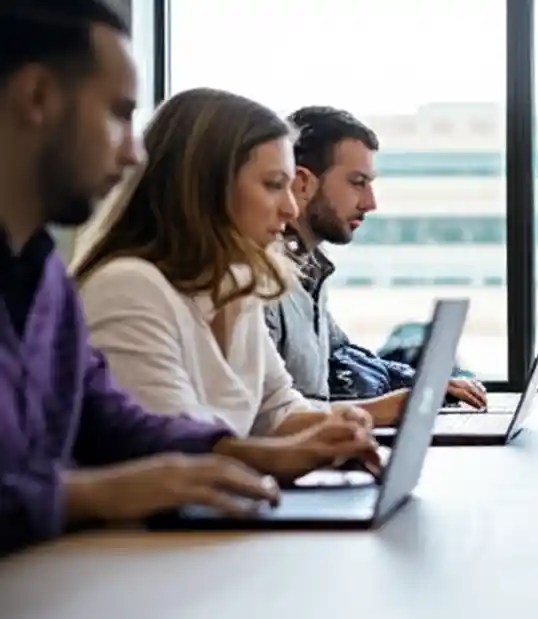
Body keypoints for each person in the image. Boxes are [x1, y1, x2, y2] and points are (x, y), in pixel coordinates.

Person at [0, 0, 375, 555]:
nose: (132, 154)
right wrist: (97, 494)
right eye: (117, 114)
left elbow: (114, 419)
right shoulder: (125, 286)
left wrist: (252, 453)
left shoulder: (43, 276)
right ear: (37, 98)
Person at [73, 89, 383, 440]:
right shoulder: (128, 287)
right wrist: (295, 453)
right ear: (206, 187)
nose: (291, 209)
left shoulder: (237, 284)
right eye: (272, 185)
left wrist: (344, 429)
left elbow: (278, 410)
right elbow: (175, 449)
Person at [266, 106, 486, 424]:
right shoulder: (259, 283)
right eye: (357, 183)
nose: (370, 203)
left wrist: (422, 385)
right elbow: (264, 416)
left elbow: (343, 352)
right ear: (302, 183)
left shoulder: (309, 268)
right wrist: (382, 409)